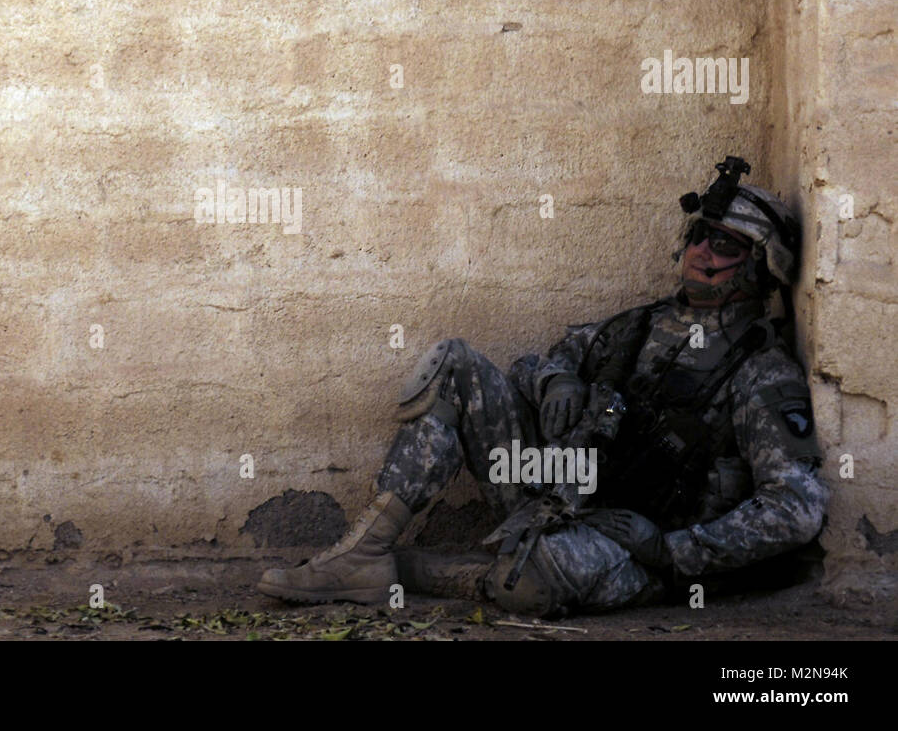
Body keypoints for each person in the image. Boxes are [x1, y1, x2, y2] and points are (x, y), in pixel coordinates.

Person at [257, 157, 828, 617]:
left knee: (531, 583)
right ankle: (364, 554)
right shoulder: (637, 326)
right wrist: (556, 380)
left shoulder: (761, 372)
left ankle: (415, 572)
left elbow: (796, 507)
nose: (703, 251)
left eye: (725, 245)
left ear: (760, 267)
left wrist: (672, 547)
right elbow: (545, 358)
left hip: (636, 545)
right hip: (551, 493)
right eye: (701, 235)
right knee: (455, 363)